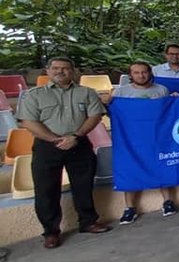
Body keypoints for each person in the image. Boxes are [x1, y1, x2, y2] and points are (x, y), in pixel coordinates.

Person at [16, 57, 110, 248]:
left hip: (80, 144)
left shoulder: (86, 93)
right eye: (56, 68)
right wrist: (54, 139)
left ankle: (88, 222)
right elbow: (28, 122)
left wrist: (75, 136)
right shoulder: (34, 95)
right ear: (48, 71)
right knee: (46, 190)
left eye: (66, 68)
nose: (61, 71)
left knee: (83, 186)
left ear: (73, 71)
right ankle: (51, 232)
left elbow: (95, 116)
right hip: (47, 147)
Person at [111, 62, 179, 223]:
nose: (141, 75)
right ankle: (130, 208)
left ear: (150, 73)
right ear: (131, 75)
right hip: (130, 140)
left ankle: (168, 202)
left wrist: (175, 101)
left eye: (144, 72)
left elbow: (168, 114)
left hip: (157, 137)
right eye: (137, 73)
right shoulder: (120, 93)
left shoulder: (161, 90)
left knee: (163, 166)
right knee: (130, 170)